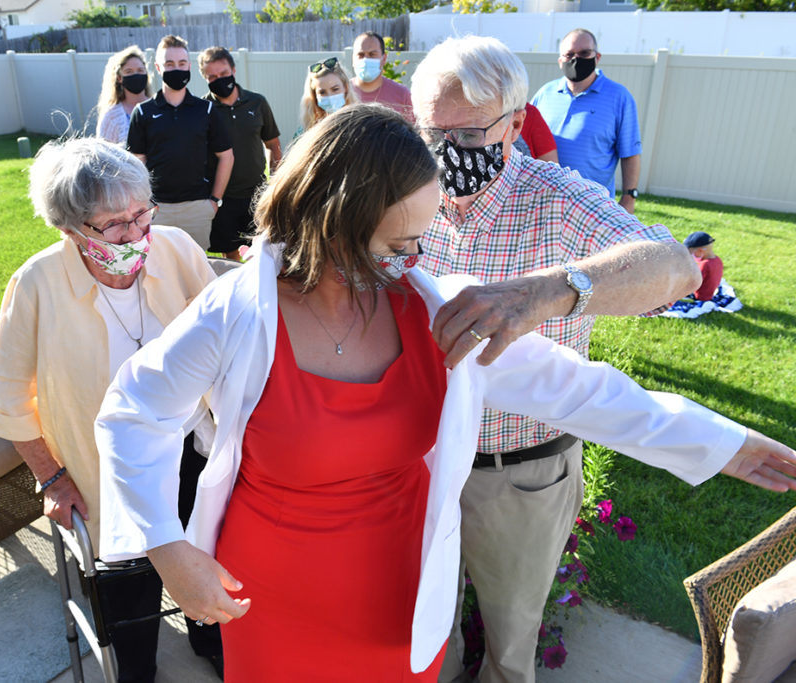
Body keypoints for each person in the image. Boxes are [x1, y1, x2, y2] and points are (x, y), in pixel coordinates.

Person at [93, 105, 796, 682]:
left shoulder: (443, 315)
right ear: (334, 221)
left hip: (402, 591)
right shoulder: (238, 312)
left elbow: (584, 392)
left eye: (422, 238)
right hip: (270, 597)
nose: (417, 260)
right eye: (398, 243)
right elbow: (132, 411)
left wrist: (727, 444)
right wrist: (166, 548)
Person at [410, 36, 705, 683]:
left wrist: (548, 291)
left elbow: (675, 267)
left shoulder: (556, 199)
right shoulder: (409, 189)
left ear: (515, 123)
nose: (442, 152)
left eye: (465, 134)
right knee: (423, 629)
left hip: (517, 473)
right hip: (422, 462)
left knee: (511, 644)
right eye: (430, 130)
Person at [0, 137, 222, 682]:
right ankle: (135, 668)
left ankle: (212, 638)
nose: (136, 235)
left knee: (204, 552)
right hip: (105, 467)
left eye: (142, 214)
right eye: (113, 225)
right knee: (130, 587)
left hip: (190, 444)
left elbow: (225, 339)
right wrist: (52, 479)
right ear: (69, 227)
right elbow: (7, 396)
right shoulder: (37, 283)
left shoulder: (177, 249)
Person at [126, 34, 234, 250]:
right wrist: (143, 206)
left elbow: (226, 156)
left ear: (189, 66)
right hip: (157, 210)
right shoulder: (143, 112)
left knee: (197, 275)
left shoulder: (206, 109)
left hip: (197, 208)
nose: (177, 68)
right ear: (158, 67)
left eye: (182, 63)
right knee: (158, 273)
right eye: (169, 63)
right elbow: (136, 163)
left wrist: (214, 202)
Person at [531, 28, 642, 213]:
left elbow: (630, 152)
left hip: (592, 207)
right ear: (560, 61)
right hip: (544, 203)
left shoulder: (619, 97)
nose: (576, 59)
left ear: (597, 57)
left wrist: (629, 198)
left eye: (584, 53)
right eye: (569, 54)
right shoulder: (545, 94)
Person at [199, 46, 282, 261]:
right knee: (230, 253)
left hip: (257, 193)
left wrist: (276, 182)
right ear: (205, 78)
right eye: (212, 76)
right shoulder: (202, 109)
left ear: (234, 70)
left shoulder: (257, 102)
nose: (219, 79)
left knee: (264, 249)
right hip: (222, 198)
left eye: (224, 74)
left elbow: (273, 144)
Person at [349, 31, 414, 122]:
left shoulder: (402, 94)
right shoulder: (342, 92)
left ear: (384, 59)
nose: (365, 60)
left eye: (372, 54)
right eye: (361, 55)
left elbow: (413, 132)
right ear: (353, 59)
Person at [96, 45, 151, 145]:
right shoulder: (112, 117)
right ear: (119, 78)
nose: (136, 75)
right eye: (129, 71)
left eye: (140, 70)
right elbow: (103, 154)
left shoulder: (159, 108)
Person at [296, 56, 356, 136]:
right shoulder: (305, 131)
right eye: (322, 92)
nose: (330, 96)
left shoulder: (359, 124)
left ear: (346, 87)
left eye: (335, 89)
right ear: (314, 95)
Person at [684, 230, 724, 301]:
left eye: (691, 253)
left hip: (700, 297)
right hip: (711, 293)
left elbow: (693, 283)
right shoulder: (717, 260)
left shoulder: (705, 264)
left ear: (700, 251)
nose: (690, 256)